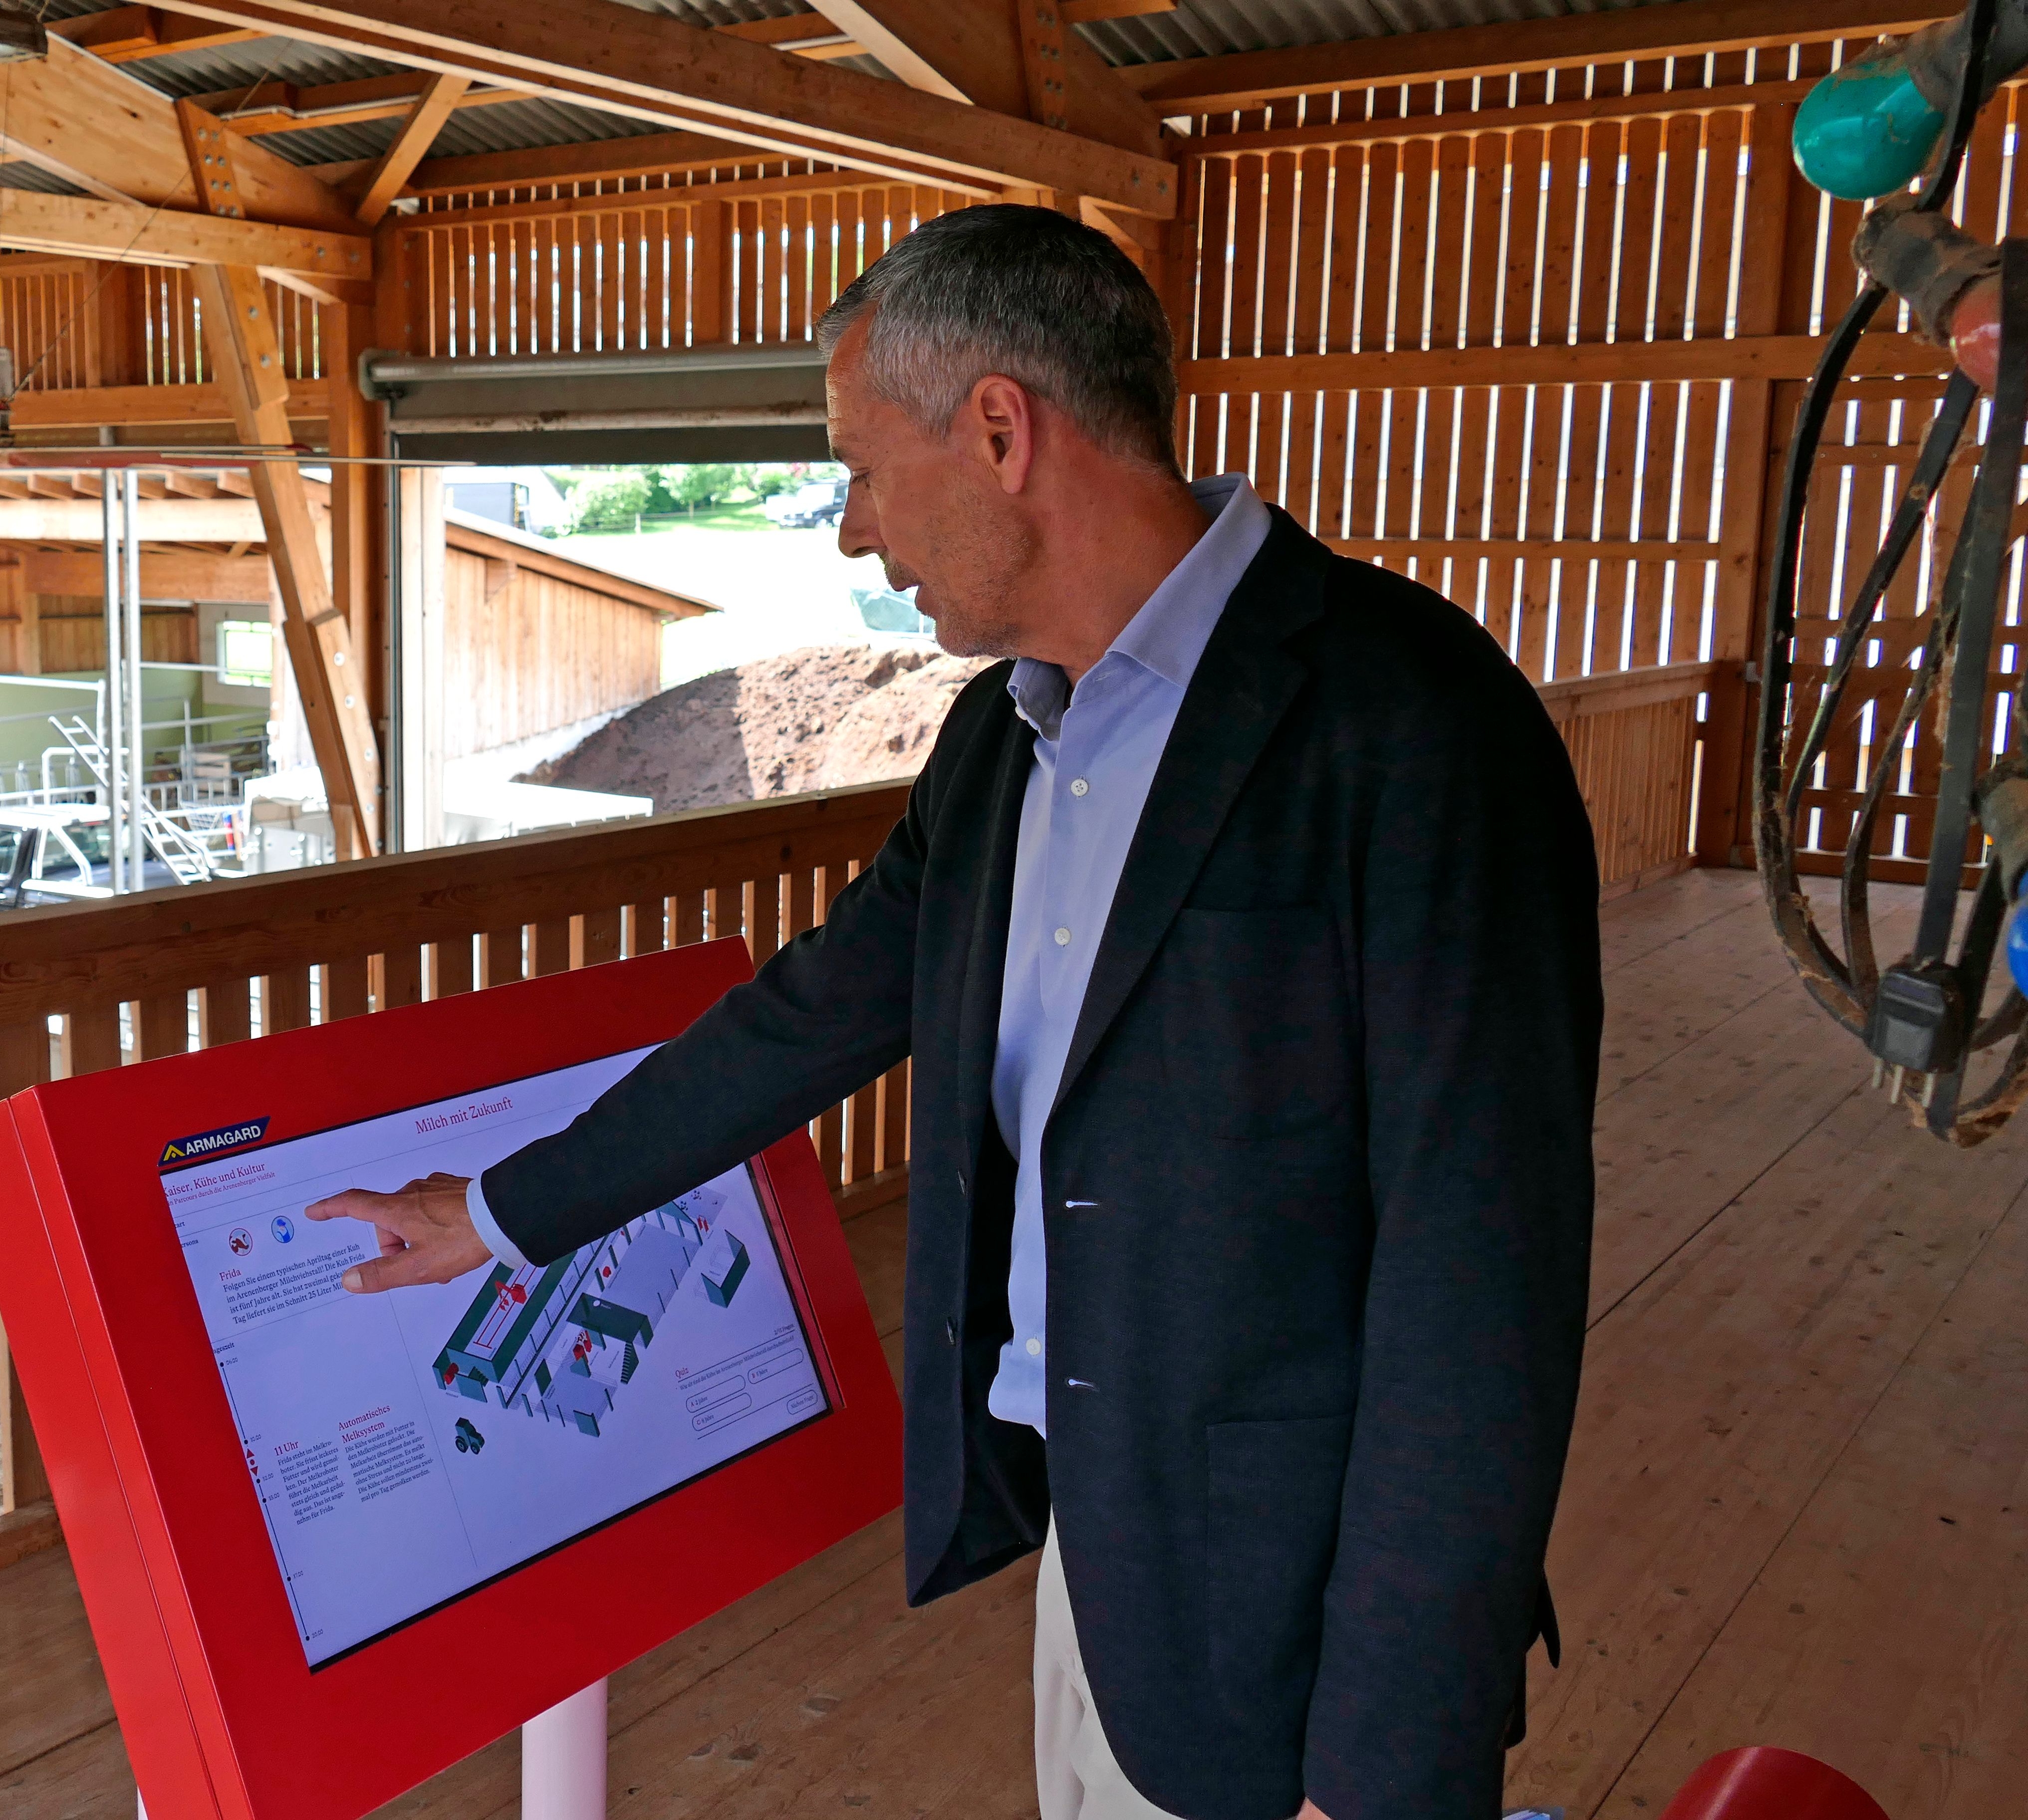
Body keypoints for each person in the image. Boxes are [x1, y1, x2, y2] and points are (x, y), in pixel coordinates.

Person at [308, 204, 1599, 1820]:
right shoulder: (1004, 737)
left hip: (1299, 1608)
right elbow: (813, 1015)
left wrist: (1391, 1760)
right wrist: (498, 1215)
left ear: (1000, 430)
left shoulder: (1413, 724)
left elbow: (1480, 1283)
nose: (853, 533)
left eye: (860, 467)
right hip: (1100, 1545)